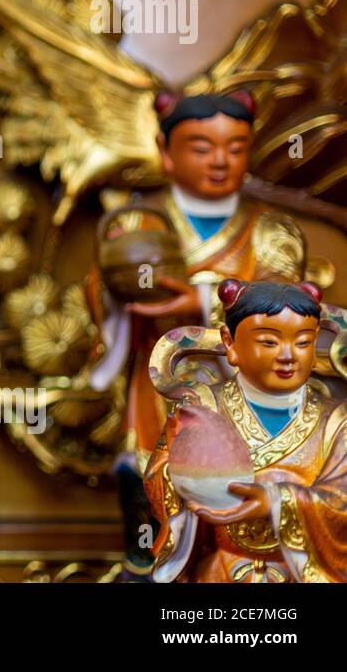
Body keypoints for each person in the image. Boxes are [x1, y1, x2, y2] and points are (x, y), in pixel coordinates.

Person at [86, 90, 316, 578]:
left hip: (250, 400)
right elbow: (105, 293)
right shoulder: (141, 225)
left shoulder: (272, 233)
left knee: (238, 504)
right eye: (201, 147)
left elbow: (286, 302)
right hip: (160, 394)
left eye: (235, 148)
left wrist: (201, 300)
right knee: (150, 481)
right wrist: (112, 282)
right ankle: (153, 564)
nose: (219, 161)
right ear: (165, 152)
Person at [145, 279, 346, 582]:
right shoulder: (204, 408)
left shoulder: (336, 421)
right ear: (229, 343)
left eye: (303, 342)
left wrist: (278, 502)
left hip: (300, 573)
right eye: (269, 342)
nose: (288, 355)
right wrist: (185, 473)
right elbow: (156, 476)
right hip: (221, 568)